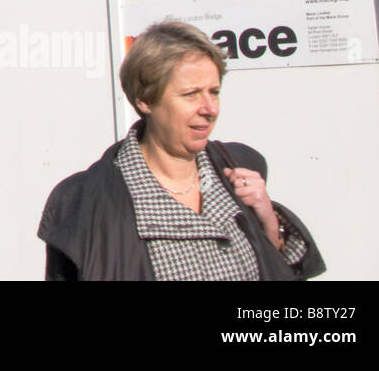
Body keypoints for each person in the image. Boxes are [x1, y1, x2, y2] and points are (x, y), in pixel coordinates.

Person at [38, 19, 325, 281]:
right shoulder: (83, 204)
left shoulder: (238, 168)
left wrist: (268, 221)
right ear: (145, 100)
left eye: (214, 92)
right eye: (190, 94)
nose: (210, 109)